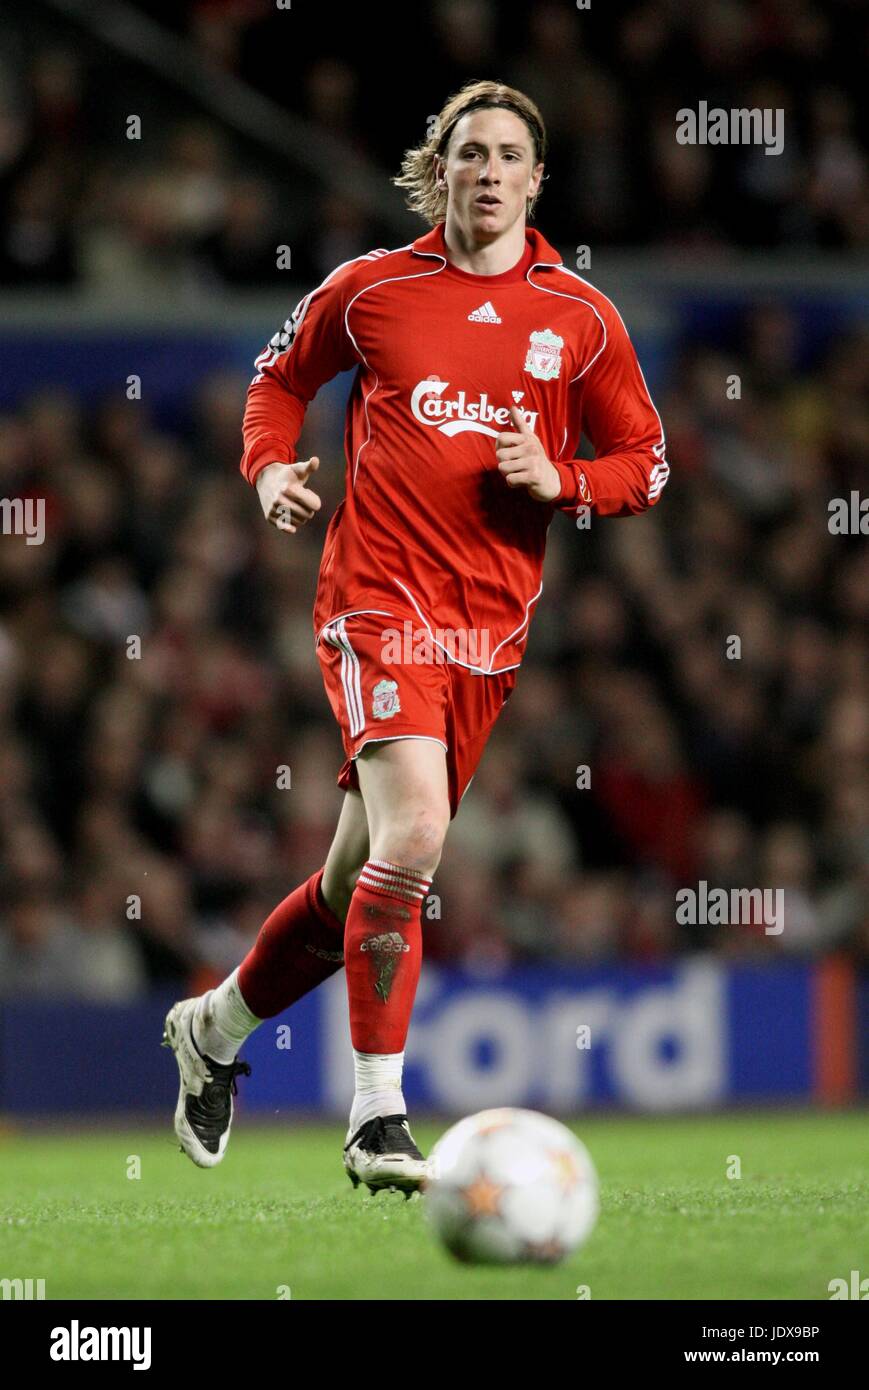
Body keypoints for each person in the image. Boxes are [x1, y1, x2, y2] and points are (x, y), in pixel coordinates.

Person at [163, 79, 669, 1194]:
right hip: (375, 601)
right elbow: (274, 383)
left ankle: (213, 1026)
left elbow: (649, 460)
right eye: (466, 152)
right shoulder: (369, 290)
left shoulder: (580, 318)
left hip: (489, 633)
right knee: (419, 840)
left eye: (506, 156)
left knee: (360, 876)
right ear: (435, 169)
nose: (485, 170)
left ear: (536, 181)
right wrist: (265, 474)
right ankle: (377, 1116)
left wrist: (567, 478)